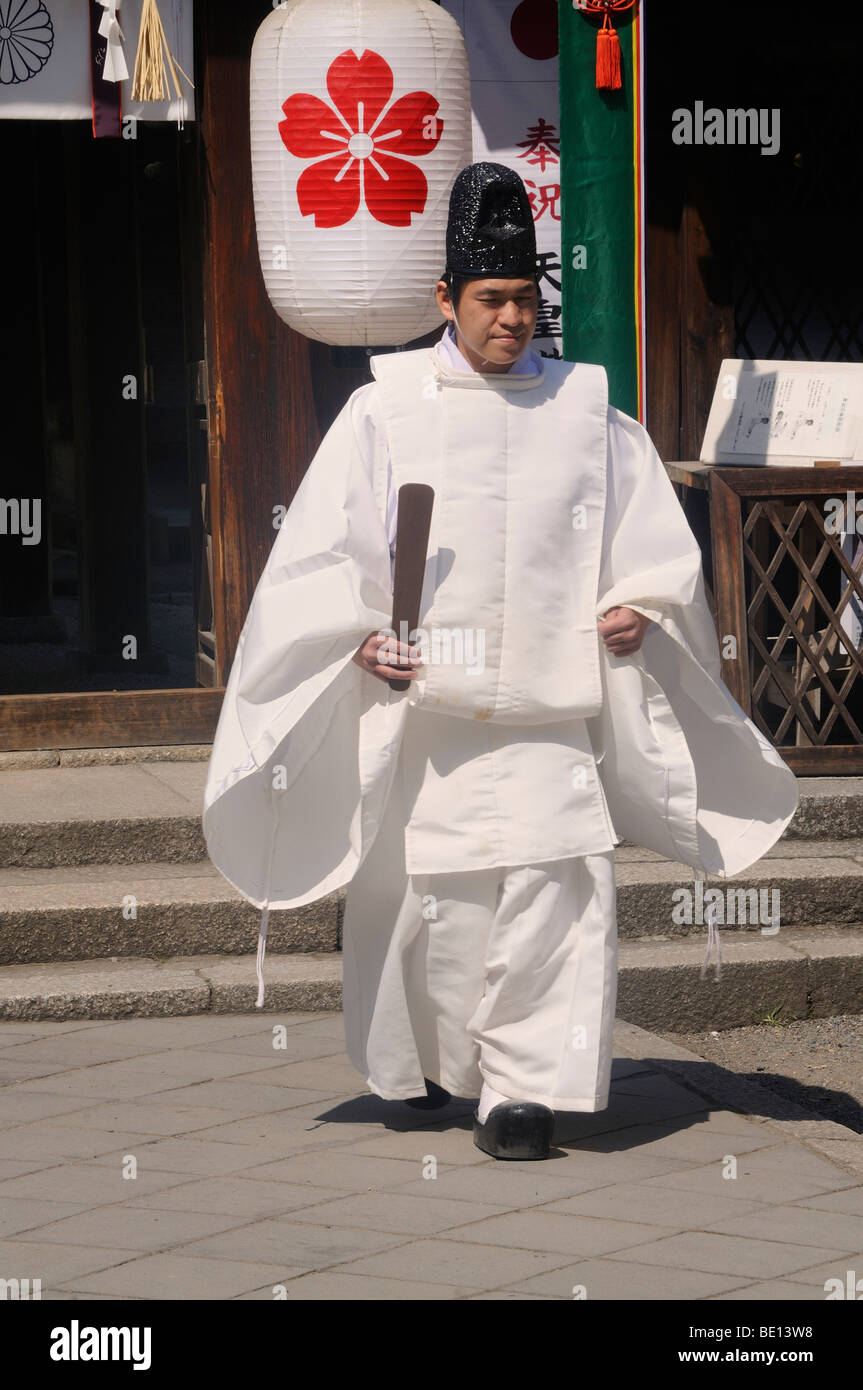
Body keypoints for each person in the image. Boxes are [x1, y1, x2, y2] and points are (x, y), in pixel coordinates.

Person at [202, 162, 798, 1161]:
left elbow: (649, 543)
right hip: (428, 709)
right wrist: (359, 632)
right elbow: (317, 551)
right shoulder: (383, 410)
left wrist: (635, 606)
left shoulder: (587, 409)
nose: (512, 319)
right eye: (491, 300)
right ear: (446, 298)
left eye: (525, 299)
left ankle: (523, 1088)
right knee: (430, 905)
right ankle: (438, 1063)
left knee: (553, 893)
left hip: (547, 708)